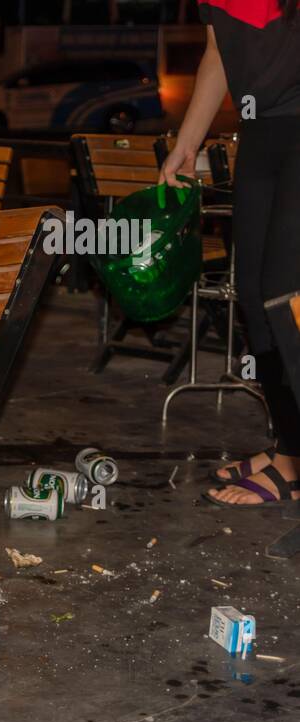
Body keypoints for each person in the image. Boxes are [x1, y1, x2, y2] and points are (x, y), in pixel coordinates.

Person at [161, 0, 300, 508]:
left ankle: (291, 463)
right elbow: (219, 52)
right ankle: (290, 448)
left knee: (288, 300)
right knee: (258, 305)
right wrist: (186, 145)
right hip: (261, 135)